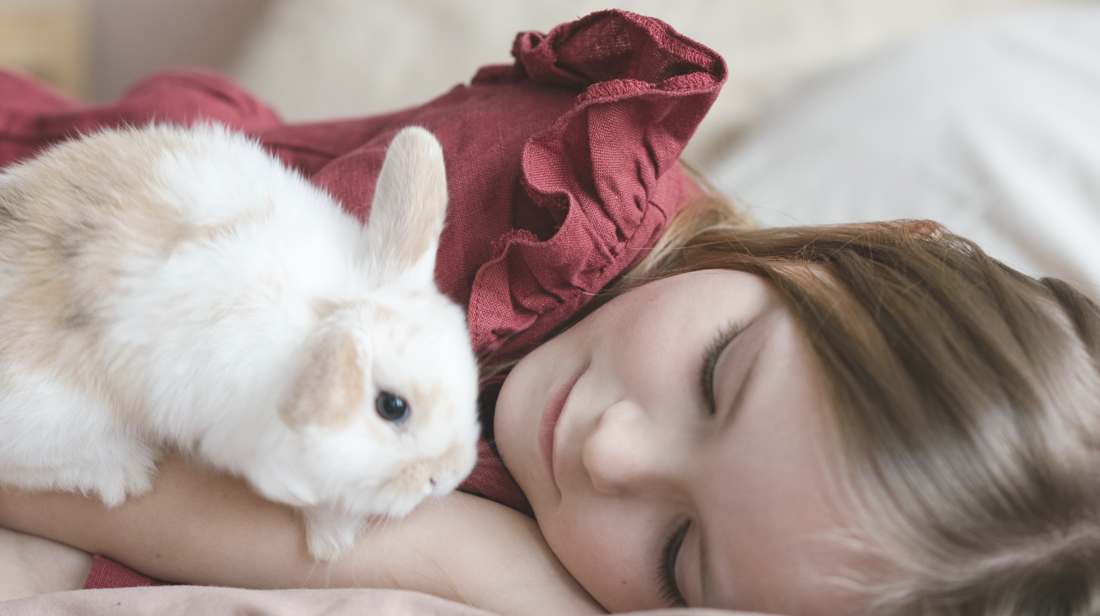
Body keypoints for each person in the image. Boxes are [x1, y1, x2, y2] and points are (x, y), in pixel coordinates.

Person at [2, 9, 1100, 616]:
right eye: (717, 377)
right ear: (839, 259)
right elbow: (100, 456)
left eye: (677, 556)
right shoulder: (540, 203)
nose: (611, 448)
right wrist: (482, 567)